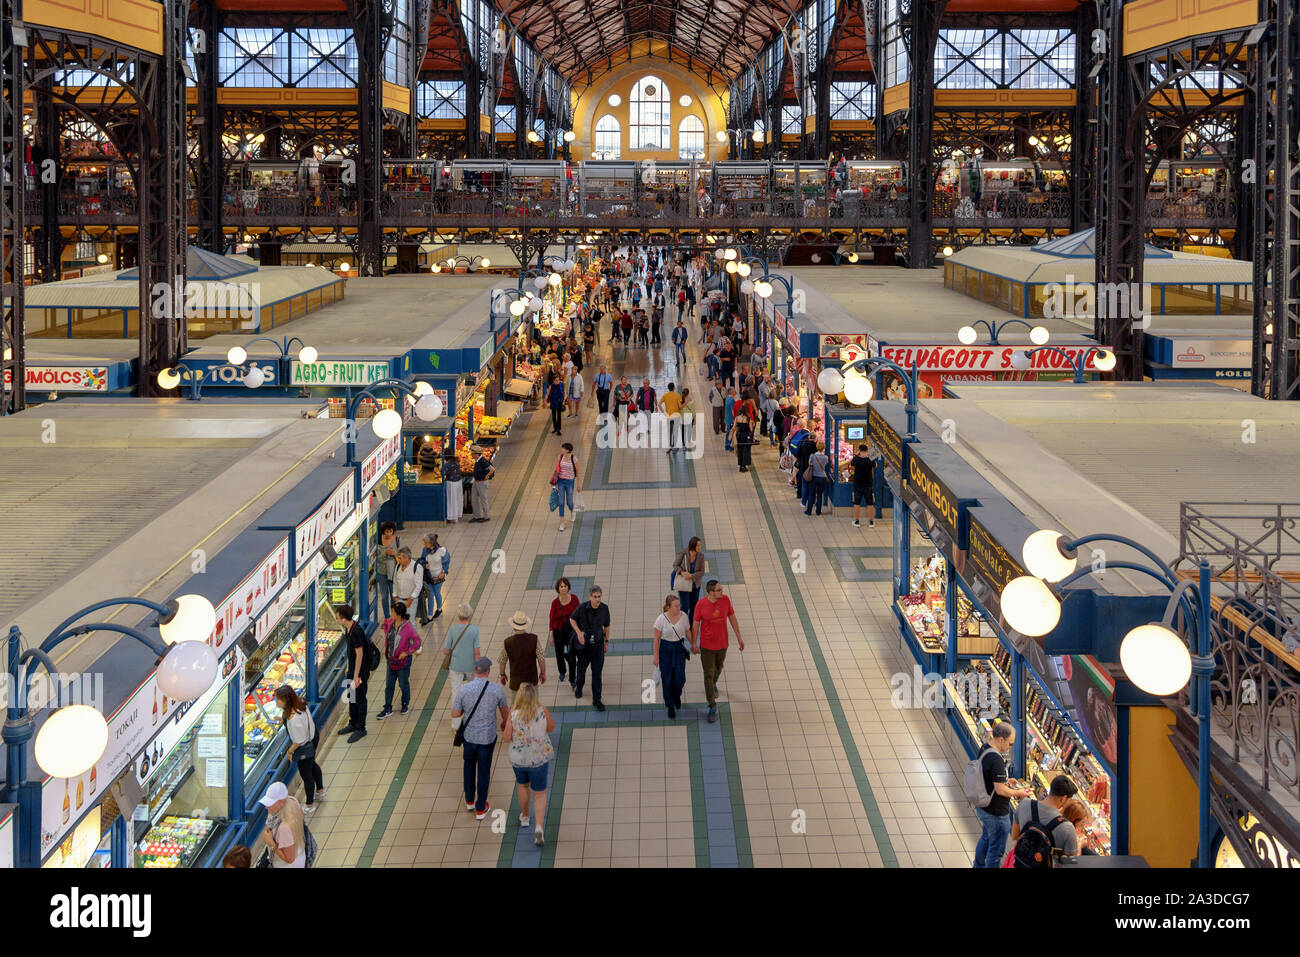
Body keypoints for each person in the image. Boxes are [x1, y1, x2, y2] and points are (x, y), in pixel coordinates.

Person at [451, 657, 510, 820]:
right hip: (487, 738)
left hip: (469, 737)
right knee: (483, 771)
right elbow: (505, 712)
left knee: (468, 768)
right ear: (488, 671)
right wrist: (505, 723)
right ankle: (480, 807)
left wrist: (466, 712)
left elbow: (455, 713)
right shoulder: (496, 690)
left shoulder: (464, 689)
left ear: (475, 671)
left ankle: (469, 801)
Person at [972, 722, 1032, 868]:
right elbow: (1000, 790)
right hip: (996, 813)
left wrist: (1005, 779)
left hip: (983, 806)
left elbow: (990, 777)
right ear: (1001, 739)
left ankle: (977, 865)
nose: (1010, 747)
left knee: (986, 837)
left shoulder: (985, 748)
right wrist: (1019, 792)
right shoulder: (996, 759)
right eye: (1010, 744)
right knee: (996, 851)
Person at [503, 682, 556, 846]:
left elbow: (506, 737)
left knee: (523, 786)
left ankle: (525, 816)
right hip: (538, 759)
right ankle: (539, 828)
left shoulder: (514, 714)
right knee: (539, 793)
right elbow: (551, 728)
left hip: (519, 759)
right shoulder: (542, 711)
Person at [692, 580, 743, 723]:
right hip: (706, 646)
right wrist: (694, 643)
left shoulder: (725, 600)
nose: (722, 592)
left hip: (722, 644)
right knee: (708, 673)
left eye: (721, 589)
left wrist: (739, 638)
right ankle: (712, 705)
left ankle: (714, 683)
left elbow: (732, 618)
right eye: (719, 590)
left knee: (718, 668)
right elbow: (695, 624)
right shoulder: (701, 604)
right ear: (711, 592)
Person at [1009, 774, 1081, 865]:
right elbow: (1070, 863)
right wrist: (1080, 844)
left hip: (1022, 863)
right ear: (1063, 799)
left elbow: (1014, 836)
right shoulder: (1067, 827)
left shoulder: (1024, 804)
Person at [276, 685, 324, 812]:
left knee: (306, 774)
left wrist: (290, 751)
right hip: (313, 736)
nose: (276, 701)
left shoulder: (294, 719)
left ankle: (309, 805)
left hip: (305, 744)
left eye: (278, 699)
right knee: (312, 764)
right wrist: (283, 720)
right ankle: (320, 791)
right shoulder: (300, 702)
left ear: (286, 700)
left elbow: (299, 740)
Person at [569, 585, 611, 711]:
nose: (597, 599)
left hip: (598, 645)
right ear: (590, 597)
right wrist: (578, 632)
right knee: (581, 670)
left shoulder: (604, 609)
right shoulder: (582, 608)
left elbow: (607, 626)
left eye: (599, 596)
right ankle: (579, 687)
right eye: (595, 597)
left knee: (597, 673)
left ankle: (597, 699)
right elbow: (572, 619)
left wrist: (606, 642)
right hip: (584, 645)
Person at [377, 600, 420, 719]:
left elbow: (417, 642)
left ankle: (405, 703)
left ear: (399, 614)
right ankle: (387, 707)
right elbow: (387, 636)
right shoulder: (389, 623)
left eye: (392, 611)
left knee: (403, 684)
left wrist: (407, 652)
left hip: (403, 663)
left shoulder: (408, 627)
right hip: (391, 660)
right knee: (389, 685)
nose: (390, 613)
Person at [335, 604, 371, 742]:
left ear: (344, 619)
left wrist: (356, 676)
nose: (337, 620)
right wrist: (348, 666)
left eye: (338, 618)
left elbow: (359, 654)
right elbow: (351, 653)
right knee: (351, 697)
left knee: (360, 698)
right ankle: (353, 723)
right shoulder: (348, 629)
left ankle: (361, 728)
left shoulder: (356, 631)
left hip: (360, 672)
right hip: (352, 669)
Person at [654, 594, 693, 720]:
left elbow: (687, 631)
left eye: (679, 605)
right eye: (676, 606)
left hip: (679, 649)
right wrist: (656, 656)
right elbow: (656, 639)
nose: (679, 607)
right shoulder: (661, 619)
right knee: (667, 679)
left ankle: (677, 696)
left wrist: (693, 644)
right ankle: (670, 705)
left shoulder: (684, 616)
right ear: (668, 607)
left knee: (679, 679)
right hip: (665, 650)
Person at [498, 611, 546, 701]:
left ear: (513, 626)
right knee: (533, 706)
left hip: (516, 683)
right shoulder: (534, 639)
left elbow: (502, 661)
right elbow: (541, 658)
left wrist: (502, 675)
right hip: (531, 680)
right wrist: (543, 673)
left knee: (516, 708)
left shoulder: (507, 642)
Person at [258, 782, 307, 868]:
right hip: (300, 854)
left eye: (270, 803)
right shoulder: (293, 801)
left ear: (281, 802)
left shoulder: (284, 828)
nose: (266, 807)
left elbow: (290, 859)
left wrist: (271, 843)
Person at [442, 603, 480, 705]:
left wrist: (453, 651)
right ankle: (472, 713)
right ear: (469, 615)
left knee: (455, 691)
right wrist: (478, 666)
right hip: (470, 665)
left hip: (455, 666)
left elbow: (445, 651)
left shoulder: (452, 629)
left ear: (458, 615)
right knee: (473, 690)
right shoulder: (475, 629)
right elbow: (476, 652)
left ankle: (456, 718)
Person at [549, 577, 580, 687]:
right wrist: (551, 635)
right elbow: (552, 619)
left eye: (565, 586)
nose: (563, 588)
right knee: (559, 654)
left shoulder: (575, 599)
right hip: (558, 633)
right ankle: (562, 671)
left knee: (571, 656)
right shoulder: (555, 603)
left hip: (571, 633)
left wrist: (580, 632)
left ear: (568, 587)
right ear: (558, 588)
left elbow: (579, 616)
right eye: (561, 586)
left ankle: (572, 678)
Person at [416, 532, 449, 624]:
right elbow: (422, 559)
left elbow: (446, 561)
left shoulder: (441, 551)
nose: (424, 544)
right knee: (431, 595)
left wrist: (444, 572)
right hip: (428, 576)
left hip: (439, 576)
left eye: (426, 543)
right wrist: (424, 564)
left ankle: (439, 609)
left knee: (437, 593)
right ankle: (429, 616)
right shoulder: (424, 550)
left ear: (432, 543)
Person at [673, 536, 707, 621]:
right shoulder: (683, 553)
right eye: (698, 545)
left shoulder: (701, 556)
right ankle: (683, 624)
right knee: (685, 606)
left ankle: (691, 626)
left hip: (695, 585)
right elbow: (675, 565)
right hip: (684, 584)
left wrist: (691, 576)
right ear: (693, 546)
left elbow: (702, 572)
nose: (700, 547)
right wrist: (681, 572)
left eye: (700, 545)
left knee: (694, 606)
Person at [553, 441, 580, 531]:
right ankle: (562, 523)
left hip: (569, 482)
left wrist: (579, 484)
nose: (562, 450)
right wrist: (555, 482)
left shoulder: (574, 459)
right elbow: (557, 468)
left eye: (563, 448)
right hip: (560, 481)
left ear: (567, 450)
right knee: (561, 503)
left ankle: (572, 511)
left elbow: (578, 471)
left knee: (569, 502)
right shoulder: (560, 457)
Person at [391, 546, 422, 624]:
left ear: (407, 557)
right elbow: (395, 582)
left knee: (411, 622)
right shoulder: (398, 566)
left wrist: (411, 599)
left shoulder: (417, 567)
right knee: (399, 622)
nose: (398, 560)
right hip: (399, 600)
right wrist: (395, 596)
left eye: (400, 558)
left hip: (410, 601)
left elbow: (418, 586)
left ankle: (413, 636)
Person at [375, 521, 399, 619]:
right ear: (383, 531)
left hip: (393, 572)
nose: (388, 534)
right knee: (384, 596)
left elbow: (403, 553)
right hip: (381, 572)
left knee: (394, 595)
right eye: (386, 532)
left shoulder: (397, 540)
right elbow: (375, 556)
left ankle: (394, 615)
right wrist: (385, 553)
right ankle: (387, 617)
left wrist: (394, 554)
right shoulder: (378, 541)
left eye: (390, 531)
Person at [850, 444, 876, 528]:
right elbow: (876, 465)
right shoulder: (870, 460)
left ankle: (857, 521)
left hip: (858, 485)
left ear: (859, 451)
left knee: (857, 503)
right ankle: (871, 522)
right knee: (870, 504)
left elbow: (851, 464)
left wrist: (857, 455)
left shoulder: (856, 459)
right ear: (867, 451)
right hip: (868, 485)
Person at [804, 440, 831, 516]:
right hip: (822, 477)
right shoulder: (825, 457)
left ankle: (809, 511)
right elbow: (825, 464)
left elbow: (809, 463)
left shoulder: (812, 456)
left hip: (813, 477)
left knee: (811, 494)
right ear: (823, 448)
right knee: (819, 495)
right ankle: (818, 511)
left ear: (816, 447)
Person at [471, 446, 494, 522]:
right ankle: (477, 516)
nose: (471, 454)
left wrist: (487, 476)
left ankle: (486, 516)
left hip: (482, 483)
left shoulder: (482, 461)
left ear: (476, 454)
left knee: (483, 499)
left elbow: (492, 469)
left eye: (472, 453)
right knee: (474, 499)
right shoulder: (477, 460)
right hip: (476, 482)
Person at [660, 382, 683, 453]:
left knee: (669, 431)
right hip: (676, 415)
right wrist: (685, 403)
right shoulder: (677, 395)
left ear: (668, 388)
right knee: (675, 431)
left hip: (669, 416)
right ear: (674, 388)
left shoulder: (665, 395)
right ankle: (675, 447)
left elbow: (659, 404)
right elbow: (680, 406)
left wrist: (663, 412)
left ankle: (670, 446)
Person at [730, 408, 754, 473]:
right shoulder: (748, 419)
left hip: (739, 436)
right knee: (746, 450)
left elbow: (733, 427)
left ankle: (740, 464)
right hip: (746, 436)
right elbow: (751, 429)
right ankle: (743, 466)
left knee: (740, 450)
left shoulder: (737, 418)